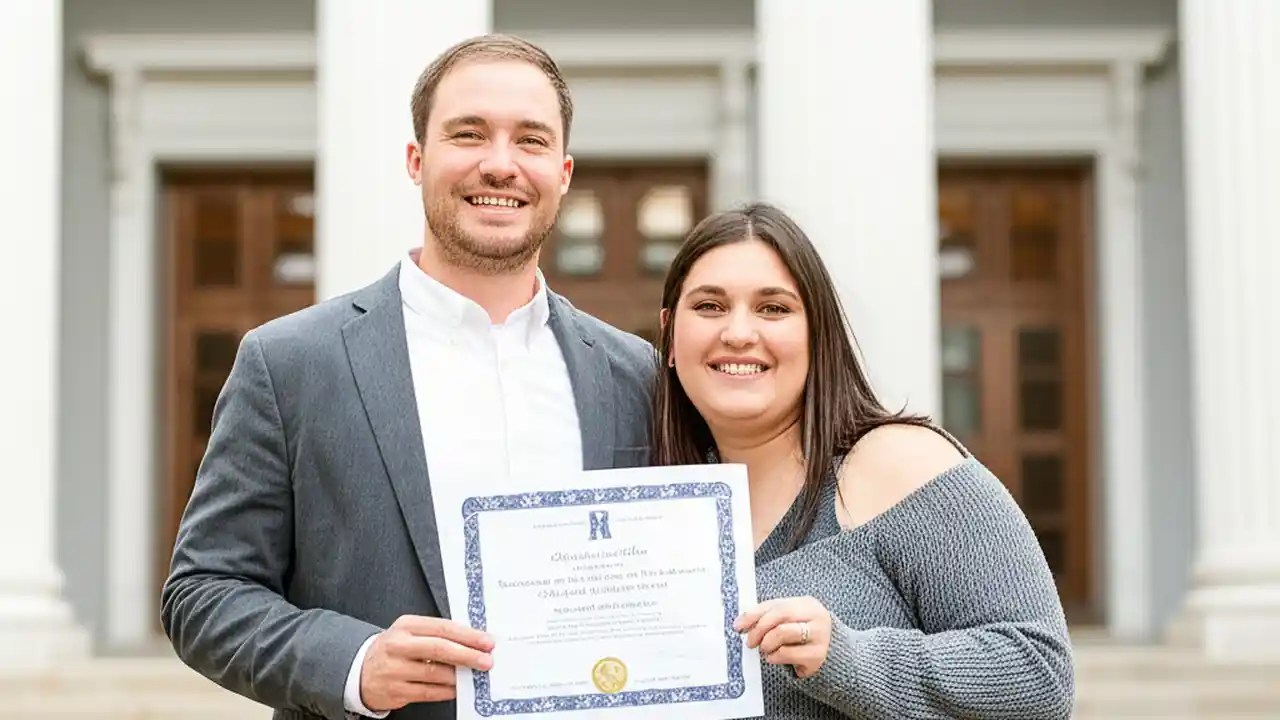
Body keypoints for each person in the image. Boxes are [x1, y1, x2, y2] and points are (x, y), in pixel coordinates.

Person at [161, 35, 655, 720]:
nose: (500, 164)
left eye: (531, 141)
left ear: (564, 172)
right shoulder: (290, 363)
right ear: (417, 161)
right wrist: (354, 664)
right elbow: (203, 591)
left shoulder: (634, 373)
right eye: (469, 134)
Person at [651, 202, 1074, 718]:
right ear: (670, 334)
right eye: (710, 307)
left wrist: (847, 657)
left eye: (774, 308)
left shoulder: (895, 464)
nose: (739, 332)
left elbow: (1040, 676)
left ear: (817, 334)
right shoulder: (657, 512)